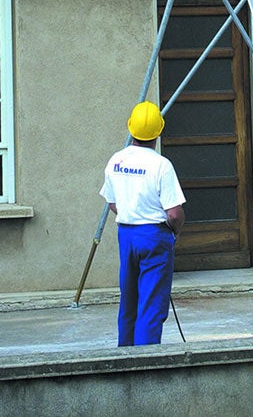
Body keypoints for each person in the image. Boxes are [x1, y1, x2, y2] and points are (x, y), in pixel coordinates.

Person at [100, 101, 185, 346]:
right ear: (158, 132)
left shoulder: (116, 160)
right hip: (154, 237)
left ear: (131, 129)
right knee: (151, 305)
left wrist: (130, 212)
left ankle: (124, 357)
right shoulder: (161, 165)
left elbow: (112, 202)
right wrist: (174, 233)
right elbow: (175, 214)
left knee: (129, 300)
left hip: (126, 235)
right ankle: (145, 368)